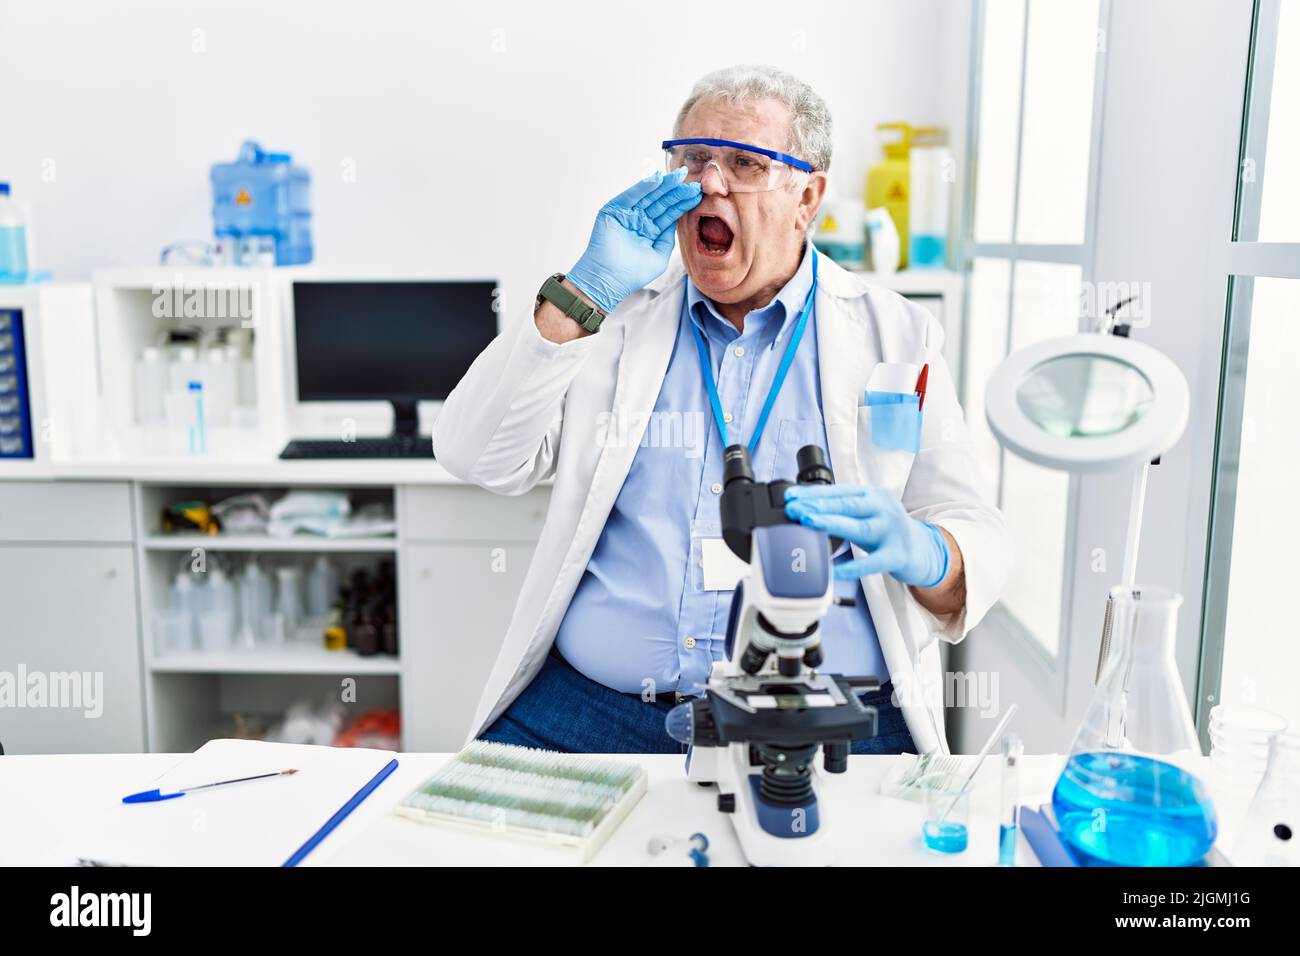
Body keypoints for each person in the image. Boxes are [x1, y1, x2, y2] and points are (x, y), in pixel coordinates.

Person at [433, 64, 1010, 754]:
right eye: (691, 159)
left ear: (808, 197)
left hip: (827, 717)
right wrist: (582, 289)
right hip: (596, 710)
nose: (709, 183)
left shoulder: (898, 334)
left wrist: (927, 554)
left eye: (743, 162)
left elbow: (975, 534)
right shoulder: (611, 318)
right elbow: (473, 454)